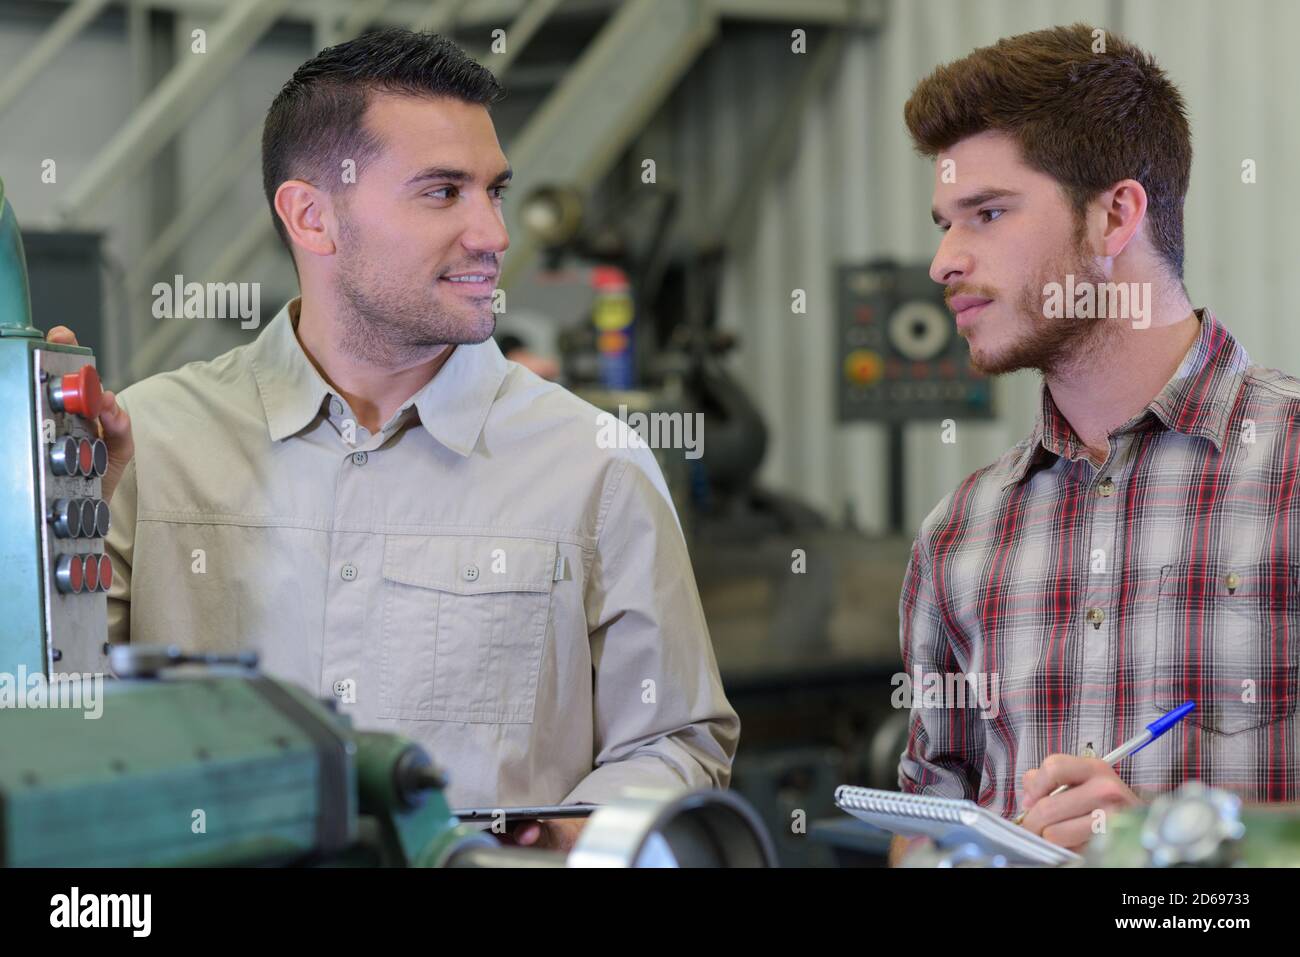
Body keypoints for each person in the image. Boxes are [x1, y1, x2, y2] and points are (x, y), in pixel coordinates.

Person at [48, 28, 737, 852]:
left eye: (495, 191)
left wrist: (575, 832)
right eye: (444, 192)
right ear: (312, 216)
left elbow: (675, 742)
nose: (493, 233)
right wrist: (42, 523)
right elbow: (55, 724)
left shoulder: (595, 465)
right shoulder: (153, 443)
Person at [889, 23, 1300, 862]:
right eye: (944, 222)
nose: (942, 262)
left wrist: (1158, 838)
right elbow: (922, 827)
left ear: (1116, 214)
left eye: (988, 214)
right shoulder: (958, 535)